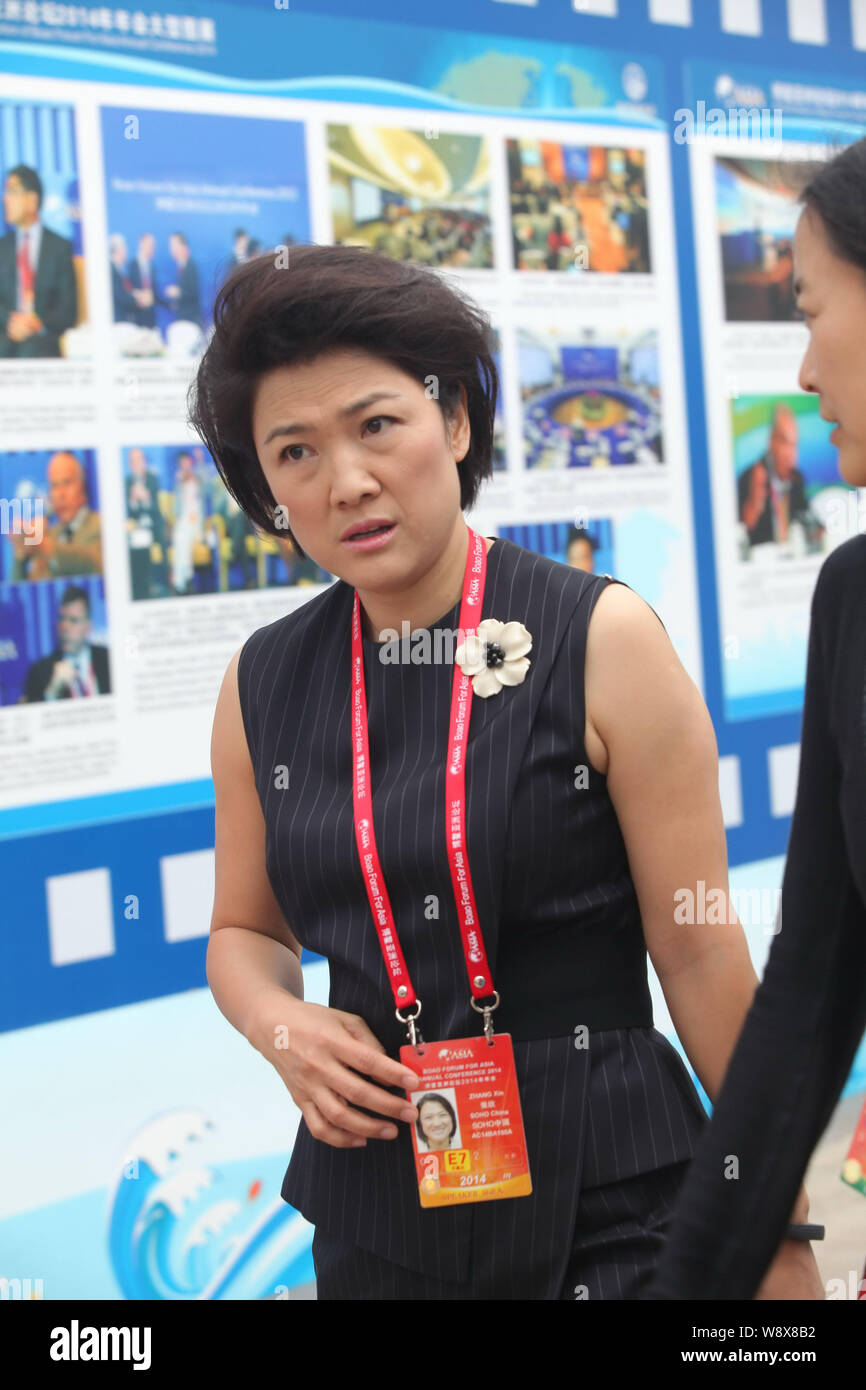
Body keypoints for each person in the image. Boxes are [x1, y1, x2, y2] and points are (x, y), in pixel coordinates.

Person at [195, 243, 799, 1301]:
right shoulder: (262, 683)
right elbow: (242, 932)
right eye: (292, 453)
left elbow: (701, 954)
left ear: (456, 422)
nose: (346, 481)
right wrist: (277, 1024)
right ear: (267, 491)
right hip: (379, 1199)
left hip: (611, 1192)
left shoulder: (598, 635)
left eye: (377, 424)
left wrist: (778, 1225)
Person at [645, 135, 866, 1301]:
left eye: (811, 309)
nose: (802, 368)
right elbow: (809, 991)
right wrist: (696, 1288)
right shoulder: (851, 598)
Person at [0, 164, 78, 357]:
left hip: (43, 338)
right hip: (6, 335)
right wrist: (11, 322)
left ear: (32, 200)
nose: (5, 199)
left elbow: (68, 309)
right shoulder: (2, 247)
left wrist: (36, 323)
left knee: (32, 350)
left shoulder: (59, 247)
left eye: (12, 191)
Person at [737, 404, 812, 547]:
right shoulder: (750, 477)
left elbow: (806, 516)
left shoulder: (796, 478)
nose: (791, 453)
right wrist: (755, 500)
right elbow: (742, 531)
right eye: (785, 442)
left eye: (794, 445)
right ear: (772, 441)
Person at [22, 584, 111, 702]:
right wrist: (52, 693)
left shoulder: (109, 659)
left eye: (73, 620)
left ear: (88, 627)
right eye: (61, 619)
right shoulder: (39, 671)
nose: (65, 627)